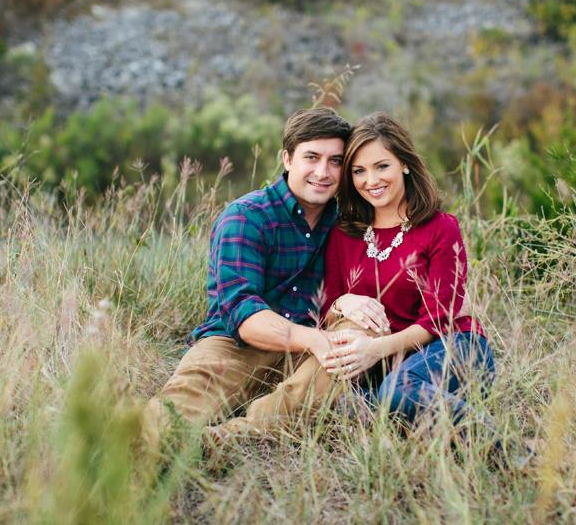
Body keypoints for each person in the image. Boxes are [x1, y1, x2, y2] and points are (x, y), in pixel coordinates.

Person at [209, 111, 494, 439]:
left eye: (382, 166)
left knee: (398, 392)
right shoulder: (345, 232)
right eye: (359, 171)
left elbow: (438, 318)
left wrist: (376, 349)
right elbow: (327, 309)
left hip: (450, 347)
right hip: (380, 365)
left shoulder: (439, 227)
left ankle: (512, 451)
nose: (371, 181)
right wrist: (344, 301)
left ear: (404, 163)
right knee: (350, 409)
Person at [141, 107, 355, 451]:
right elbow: (244, 315)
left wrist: (351, 302)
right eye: (311, 157)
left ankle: (231, 440)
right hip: (235, 346)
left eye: (335, 161)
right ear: (287, 159)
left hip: (309, 357)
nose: (323, 172)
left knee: (361, 330)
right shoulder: (247, 217)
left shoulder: (348, 224)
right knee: (161, 428)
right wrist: (313, 339)